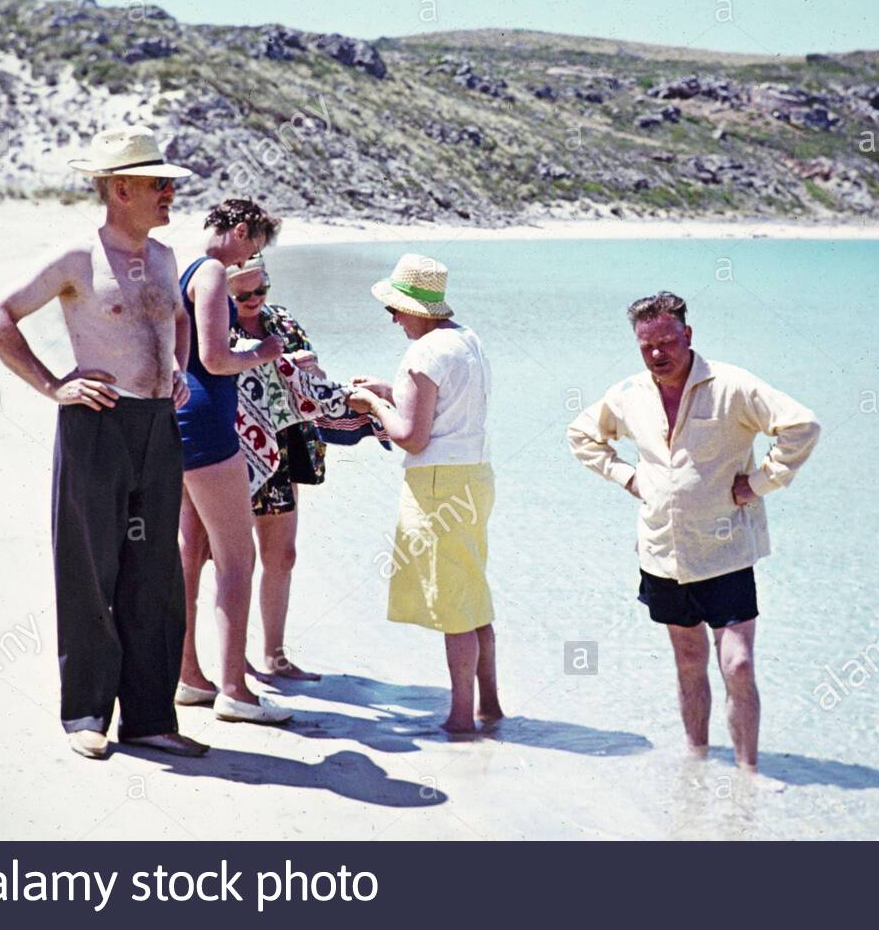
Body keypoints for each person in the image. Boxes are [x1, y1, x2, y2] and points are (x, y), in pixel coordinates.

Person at [0, 125, 207, 759]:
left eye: (169, 184)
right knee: (89, 569)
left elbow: (177, 321)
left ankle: (151, 719)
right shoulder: (78, 258)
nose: (169, 194)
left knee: (155, 574)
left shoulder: (163, 257)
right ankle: (86, 714)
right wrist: (54, 386)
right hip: (98, 424)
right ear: (122, 188)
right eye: (159, 184)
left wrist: (179, 371)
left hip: (158, 428)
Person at [566, 292, 820, 779]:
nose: (658, 353)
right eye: (647, 346)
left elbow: (801, 426)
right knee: (688, 662)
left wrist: (759, 483)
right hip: (663, 551)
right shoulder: (628, 393)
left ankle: (748, 773)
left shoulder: (732, 385)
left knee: (739, 665)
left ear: (688, 335)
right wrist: (628, 478)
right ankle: (696, 762)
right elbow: (582, 435)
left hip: (725, 549)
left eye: (666, 340)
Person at [347, 253, 503, 735]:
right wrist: (392, 389)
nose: (393, 319)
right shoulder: (465, 339)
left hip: (438, 484)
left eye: (395, 310)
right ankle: (490, 704)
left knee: (454, 601)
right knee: (473, 590)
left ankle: (460, 717)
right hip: (475, 475)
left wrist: (373, 403)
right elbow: (447, 409)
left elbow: (411, 437)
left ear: (414, 308)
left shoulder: (423, 352)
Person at [173, 199, 293, 725]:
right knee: (236, 559)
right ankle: (235, 691)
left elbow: (186, 358)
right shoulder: (217, 271)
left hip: (179, 418)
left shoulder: (189, 271)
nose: (250, 261)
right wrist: (266, 352)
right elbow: (216, 359)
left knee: (188, 552)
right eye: (254, 246)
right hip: (207, 424)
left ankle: (189, 676)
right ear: (241, 230)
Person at [180, 255, 325, 683]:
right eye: (243, 295)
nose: (255, 300)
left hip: (283, 449)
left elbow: (310, 379)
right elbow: (208, 370)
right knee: (214, 557)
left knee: (282, 554)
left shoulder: (281, 321)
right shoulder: (214, 324)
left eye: (262, 290)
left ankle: (274, 655)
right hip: (226, 451)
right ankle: (230, 660)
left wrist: (308, 367)